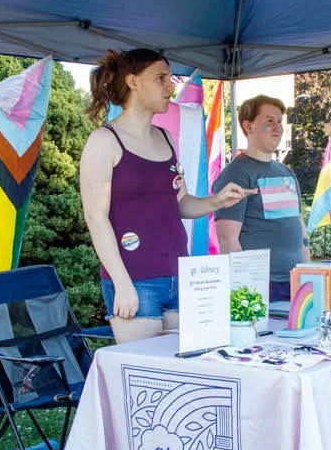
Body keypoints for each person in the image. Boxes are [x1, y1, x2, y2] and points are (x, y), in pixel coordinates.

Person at [80, 49, 254, 342]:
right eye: (160, 78)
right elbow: (95, 217)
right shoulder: (103, 141)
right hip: (135, 280)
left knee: (181, 372)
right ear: (133, 81)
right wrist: (122, 283)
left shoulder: (165, 137)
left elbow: (180, 203)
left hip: (180, 277)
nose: (170, 86)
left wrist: (216, 200)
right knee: (143, 378)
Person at [213, 95, 310, 302]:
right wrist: (245, 292)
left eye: (279, 122)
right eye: (269, 121)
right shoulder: (237, 174)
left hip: (297, 282)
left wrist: (309, 273)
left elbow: (301, 231)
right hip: (262, 288)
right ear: (248, 126)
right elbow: (227, 238)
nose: (278, 127)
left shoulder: (286, 172)